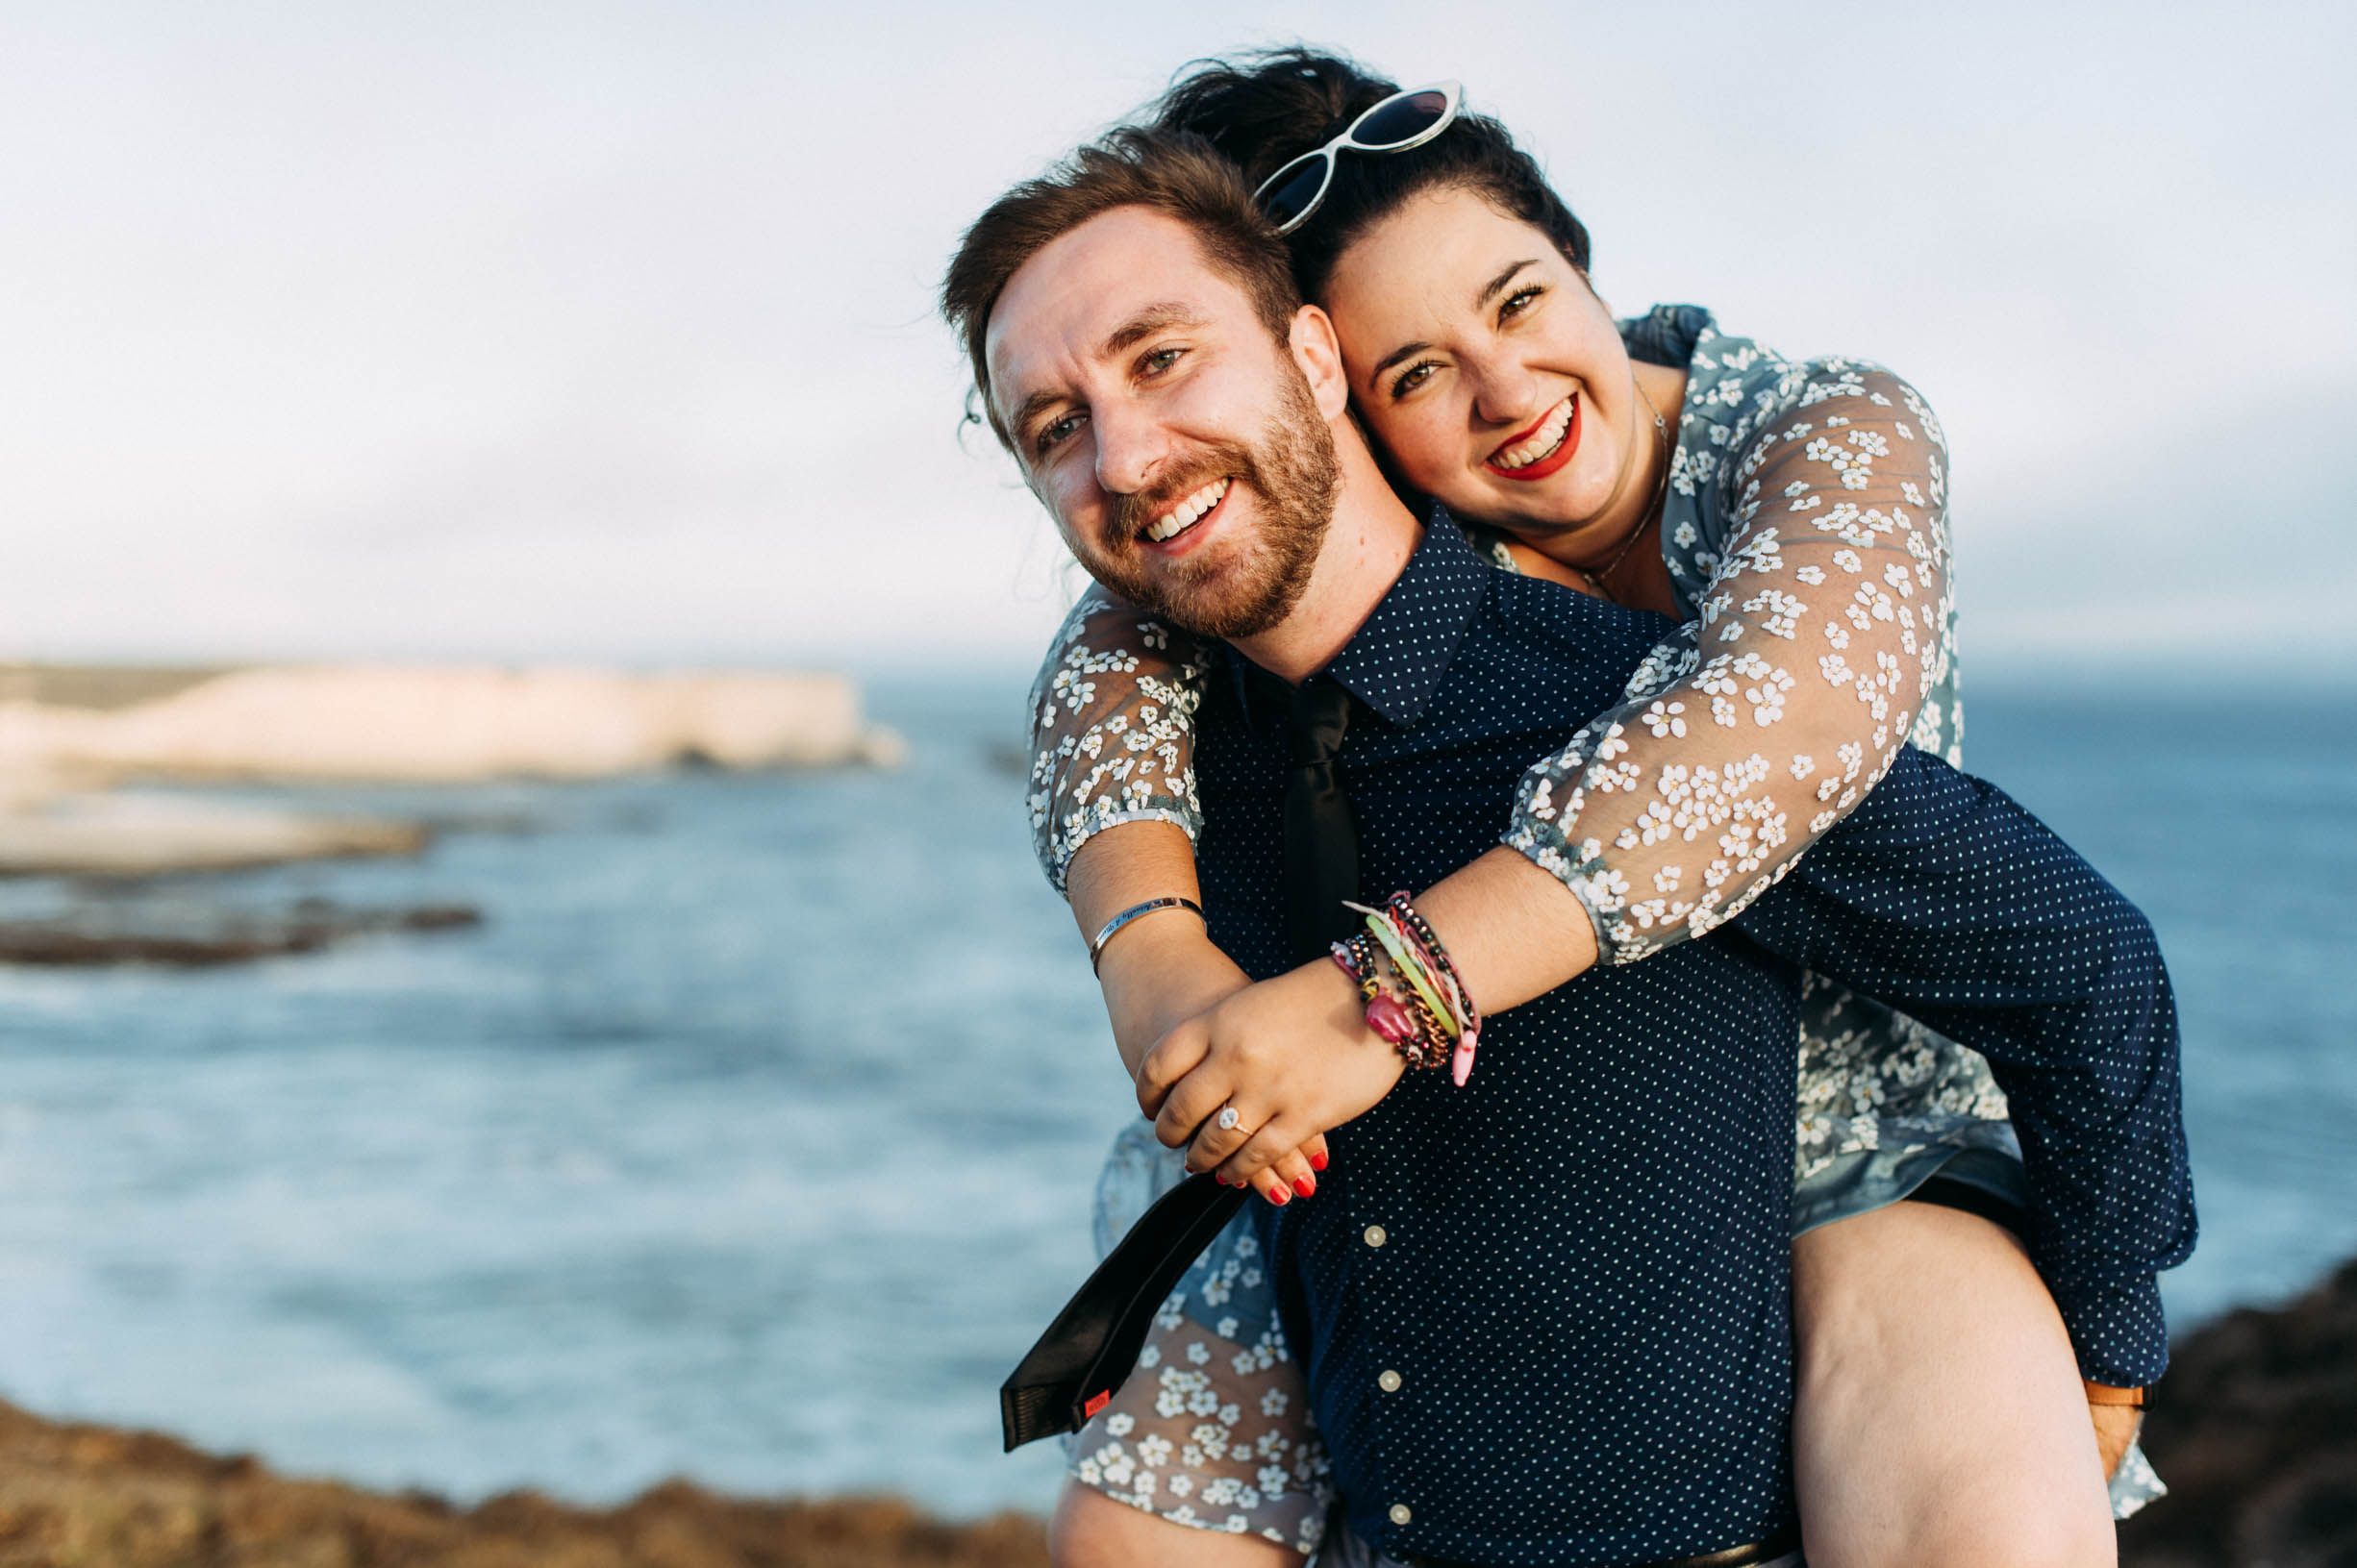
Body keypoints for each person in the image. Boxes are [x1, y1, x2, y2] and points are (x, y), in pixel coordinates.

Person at [942, 121, 2193, 1568]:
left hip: (1866, 1214)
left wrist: (2109, 1355)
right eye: (1055, 427)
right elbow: (1096, 677)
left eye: (1163, 357)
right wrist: (1145, 944)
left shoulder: (1656, 709)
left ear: (1307, 360)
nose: (1126, 453)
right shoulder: (1164, 741)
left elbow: (2070, 958)